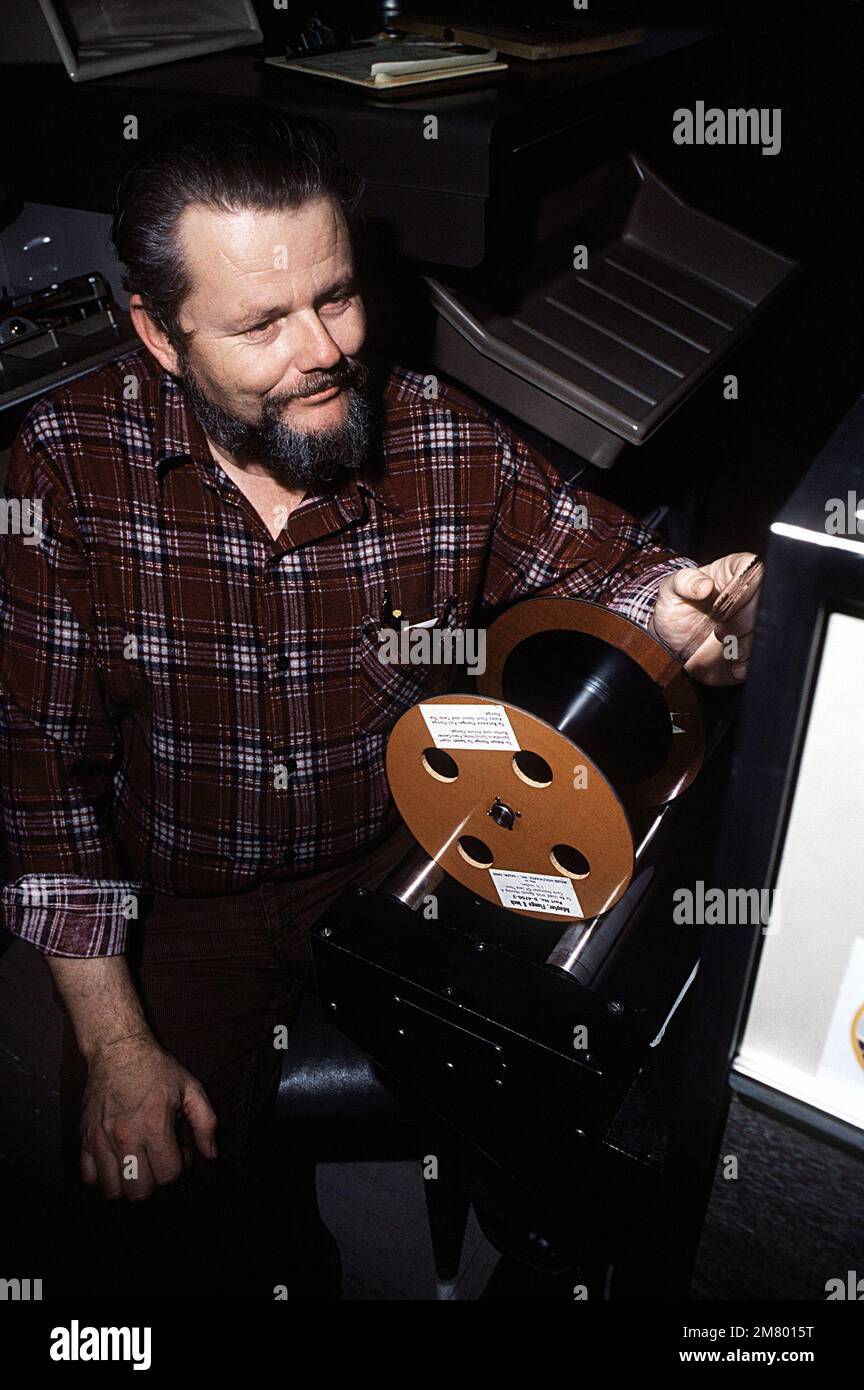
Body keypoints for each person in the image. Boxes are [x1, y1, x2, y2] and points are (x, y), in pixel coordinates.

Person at [0, 105, 760, 1301]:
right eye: (261, 323)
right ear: (159, 333)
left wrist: (690, 605)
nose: (325, 350)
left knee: (588, 1109)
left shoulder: (443, 435)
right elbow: (41, 770)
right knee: (149, 1223)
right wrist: (111, 1038)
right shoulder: (60, 467)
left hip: (406, 848)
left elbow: (615, 565)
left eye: (338, 297)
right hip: (187, 897)